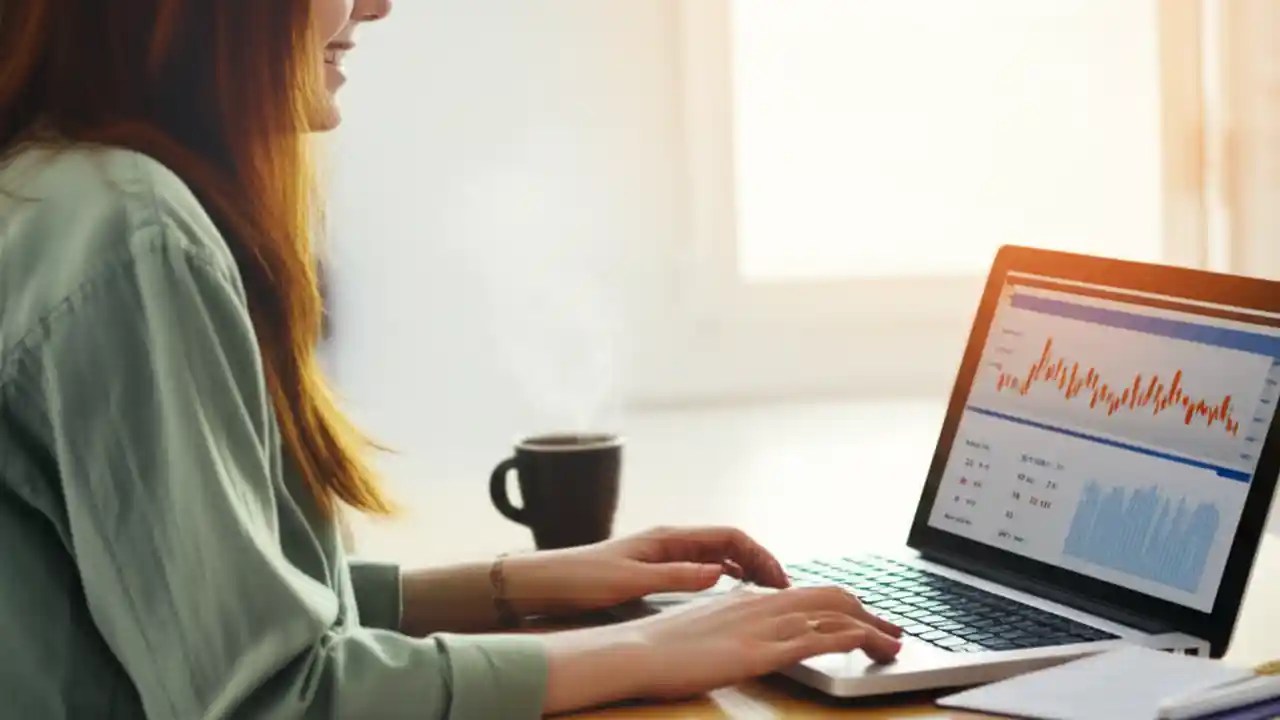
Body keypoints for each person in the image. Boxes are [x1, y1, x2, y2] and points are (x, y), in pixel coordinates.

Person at [0, 1, 903, 717]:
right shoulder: (129, 227)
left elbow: (203, 613)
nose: (378, 5)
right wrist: (649, 648)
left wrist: (516, 585)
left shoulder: (52, 191)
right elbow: (270, 698)